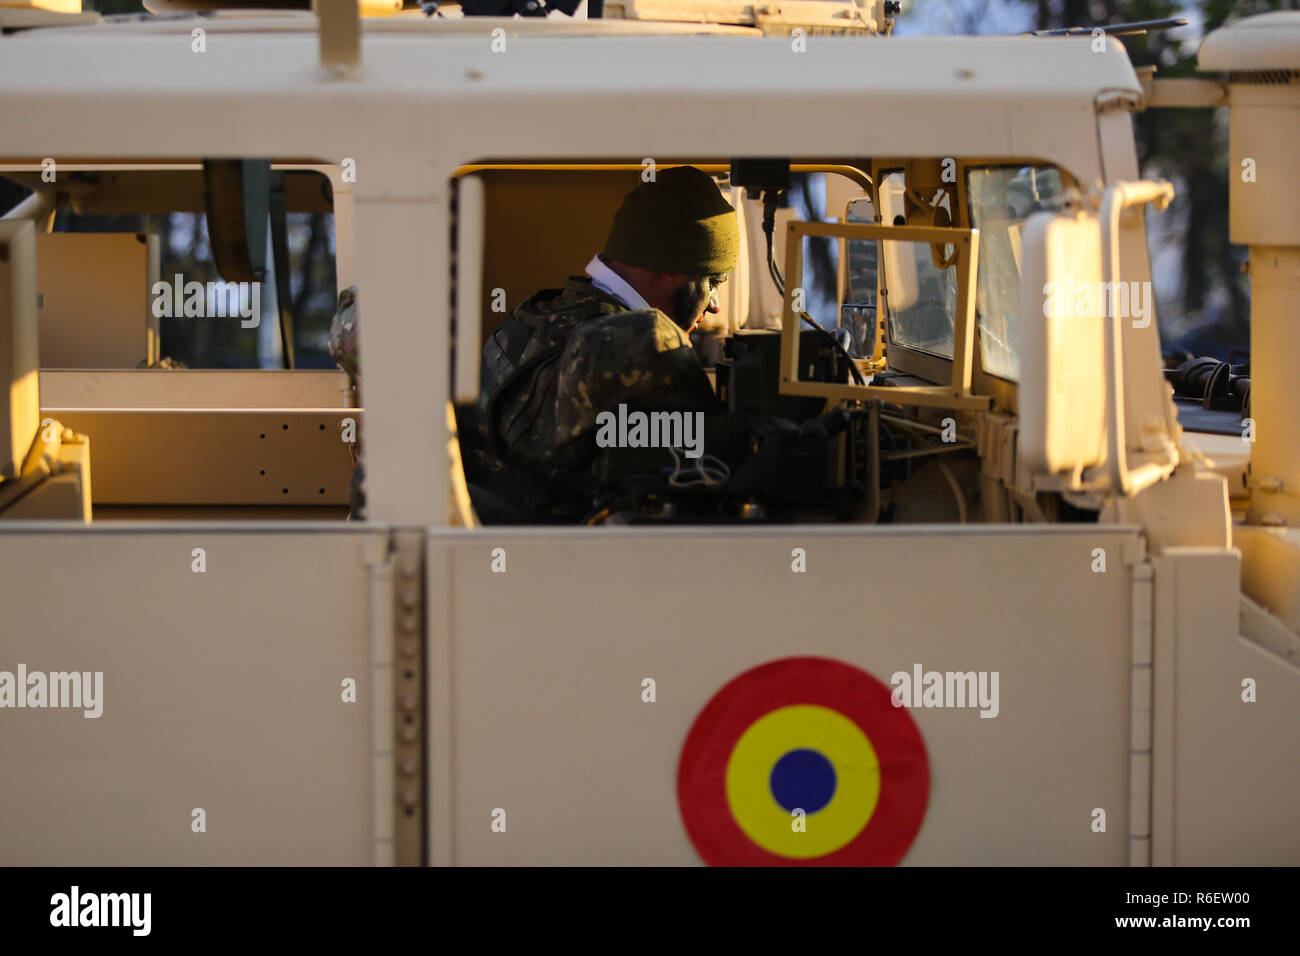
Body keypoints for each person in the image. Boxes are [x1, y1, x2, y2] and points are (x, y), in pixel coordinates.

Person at [464, 165, 740, 523]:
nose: (715, 304)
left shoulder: (532, 316)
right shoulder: (645, 349)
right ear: (669, 266)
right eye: (713, 281)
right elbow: (707, 477)